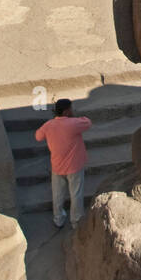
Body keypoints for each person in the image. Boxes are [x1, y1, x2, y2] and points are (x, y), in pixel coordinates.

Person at [34, 98, 92, 230]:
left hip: (57, 166)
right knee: (76, 194)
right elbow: (88, 122)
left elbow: (38, 136)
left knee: (58, 195)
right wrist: (74, 118)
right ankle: (76, 221)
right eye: (71, 109)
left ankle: (58, 219)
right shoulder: (74, 123)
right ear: (66, 111)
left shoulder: (49, 125)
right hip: (75, 166)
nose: (73, 110)